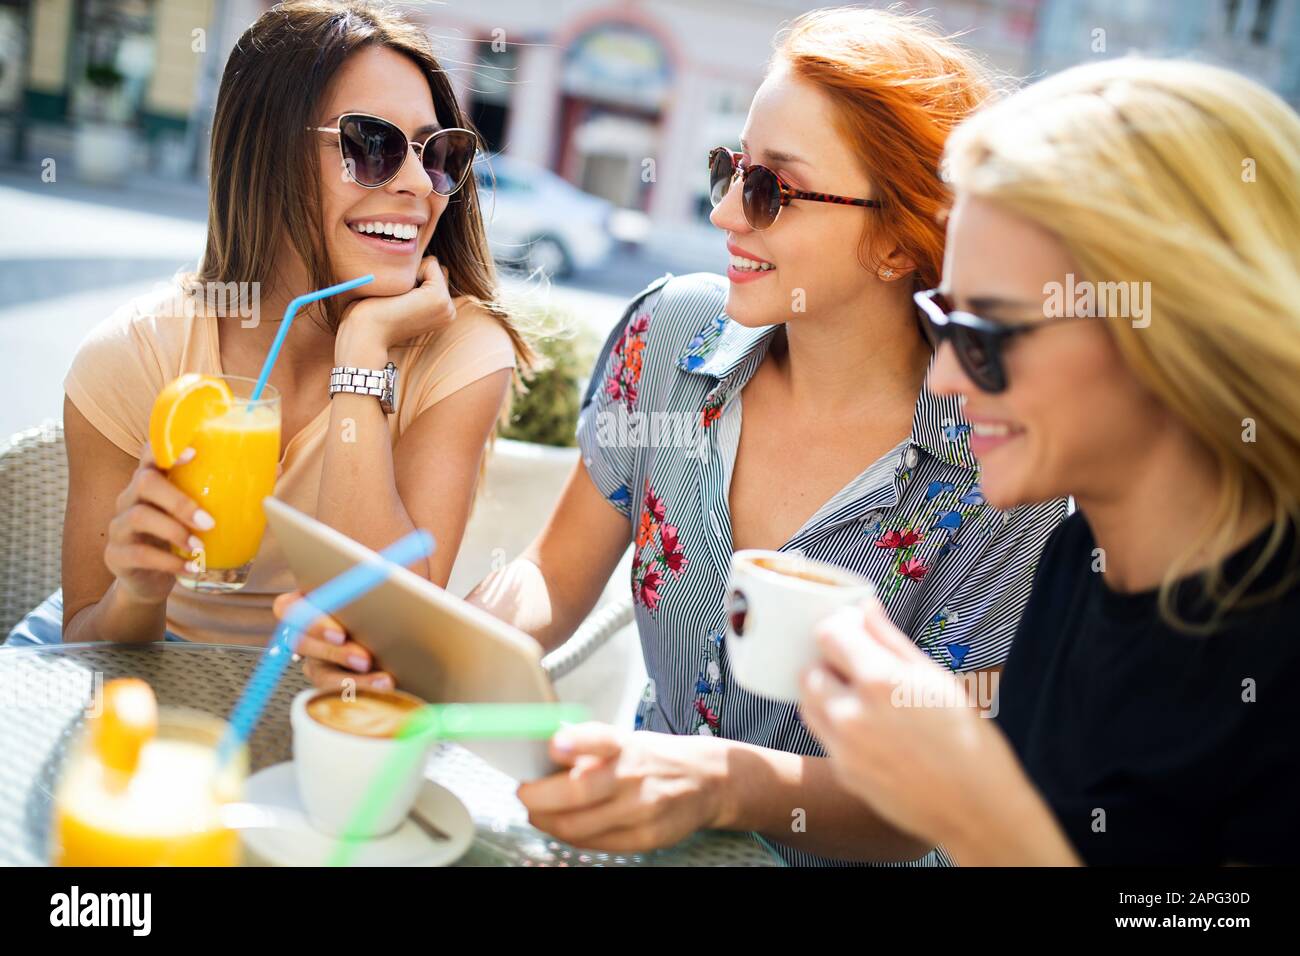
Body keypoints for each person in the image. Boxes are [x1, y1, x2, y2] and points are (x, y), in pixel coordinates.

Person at [284, 8, 1069, 866]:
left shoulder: (1005, 466)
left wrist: (724, 781)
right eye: (728, 169)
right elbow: (552, 574)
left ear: (894, 239)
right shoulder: (668, 335)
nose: (727, 211)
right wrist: (423, 649)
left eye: (772, 189)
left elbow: (950, 790)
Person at [800, 57, 1300, 865]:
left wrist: (975, 808)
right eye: (944, 318)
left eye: (988, 334)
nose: (946, 374)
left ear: (1172, 331)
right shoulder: (1080, 557)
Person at [5, 0, 530, 647]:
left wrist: (360, 354)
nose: (420, 184)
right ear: (267, 154)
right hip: (138, 682)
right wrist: (139, 589)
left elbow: (387, 631)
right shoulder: (133, 356)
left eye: (437, 153)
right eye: (372, 145)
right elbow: (87, 638)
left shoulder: (463, 351)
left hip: (327, 707)